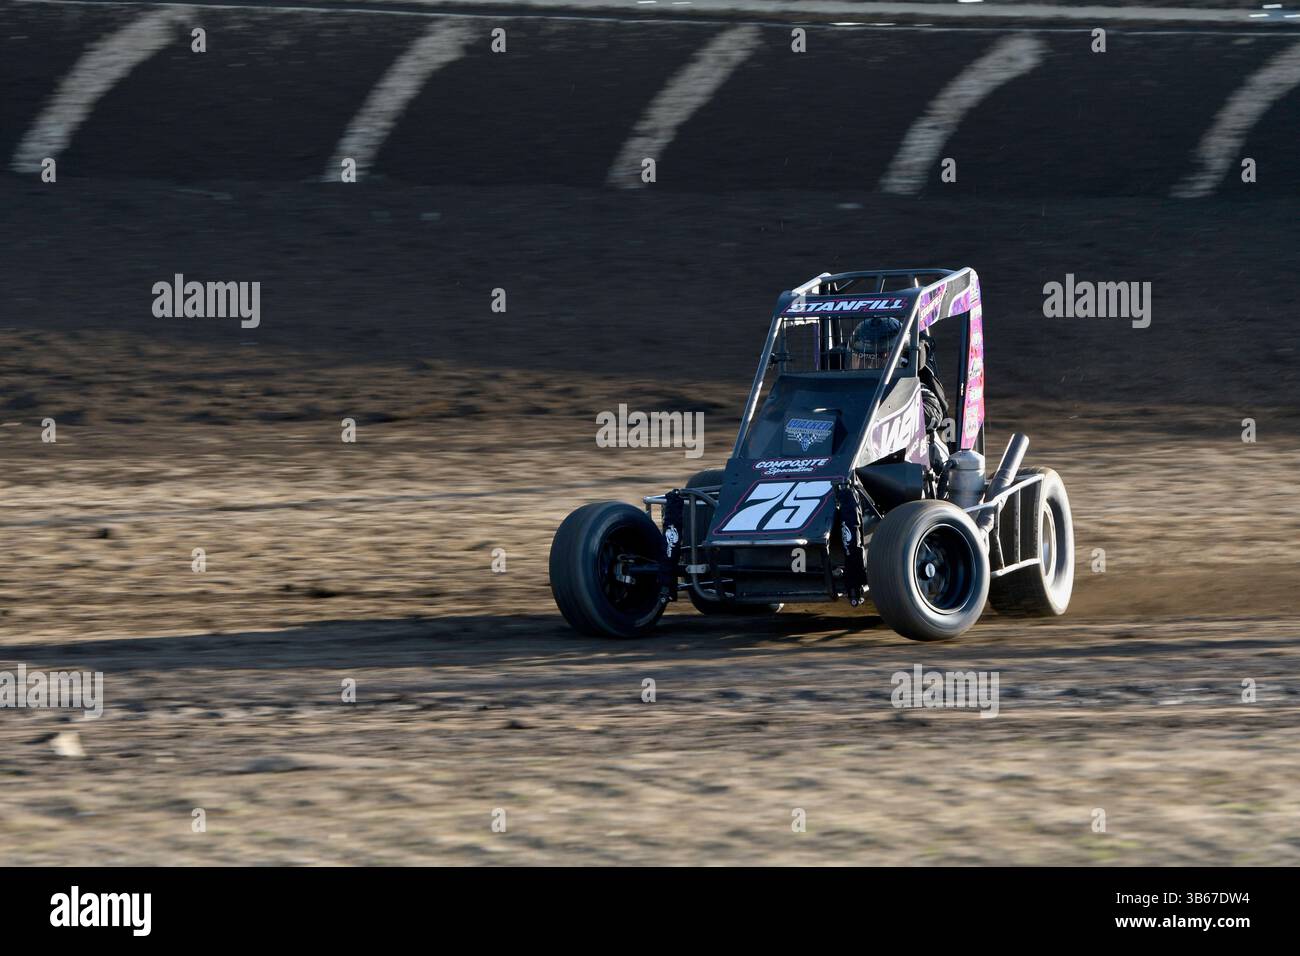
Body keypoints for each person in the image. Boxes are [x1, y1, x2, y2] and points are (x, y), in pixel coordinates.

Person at [847, 315, 949, 464]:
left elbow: (933, 413)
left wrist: (886, 418)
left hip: (902, 464)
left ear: (899, 359)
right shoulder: (847, 390)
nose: (868, 367)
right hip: (852, 460)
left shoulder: (910, 387)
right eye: (861, 359)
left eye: (875, 360)